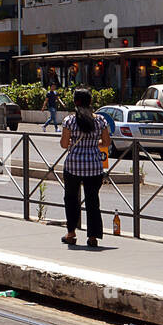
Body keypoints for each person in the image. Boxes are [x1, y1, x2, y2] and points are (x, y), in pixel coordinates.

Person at [59, 87, 111, 248]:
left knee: (71, 199)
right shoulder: (100, 120)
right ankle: (93, 237)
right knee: (93, 201)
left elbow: (63, 144)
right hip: (94, 167)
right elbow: (107, 143)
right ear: (90, 102)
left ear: (75, 102)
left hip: (73, 165)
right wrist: (94, 143)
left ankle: (71, 233)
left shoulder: (69, 121)